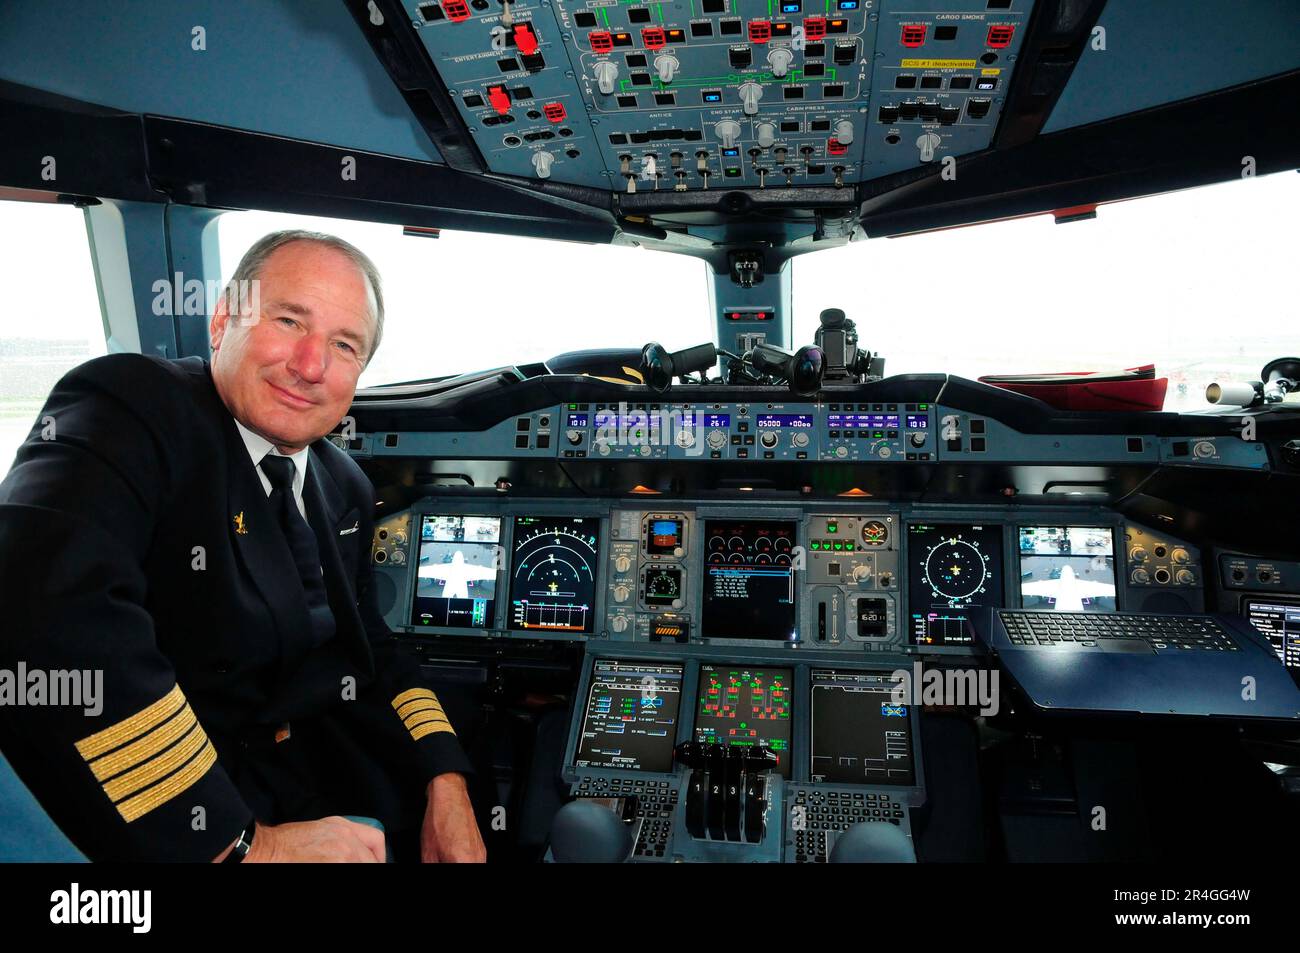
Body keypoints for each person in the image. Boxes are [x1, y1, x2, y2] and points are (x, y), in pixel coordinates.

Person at [0, 230, 486, 862]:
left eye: (345, 346)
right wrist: (246, 847)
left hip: (277, 768)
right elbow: (43, 608)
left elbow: (368, 645)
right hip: (139, 803)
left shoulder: (342, 483)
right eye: (289, 321)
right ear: (222, 319)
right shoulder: (133, 408)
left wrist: (444, 778)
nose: (311, 366)